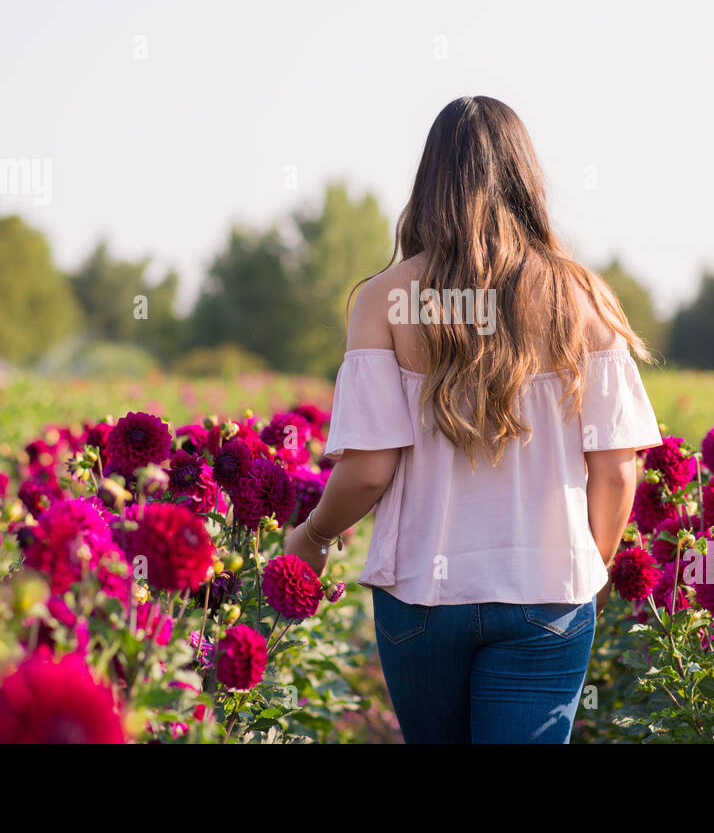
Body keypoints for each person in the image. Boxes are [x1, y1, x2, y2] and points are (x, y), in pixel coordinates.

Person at [283, 95, 661, 743]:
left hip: (420, 601)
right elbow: (617, 471)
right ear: (527, 181)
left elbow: (369, 471)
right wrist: (586, 567)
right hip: (547, 595)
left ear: (429, 183)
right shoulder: (584, 297)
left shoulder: (384, 298)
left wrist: (313, 536)